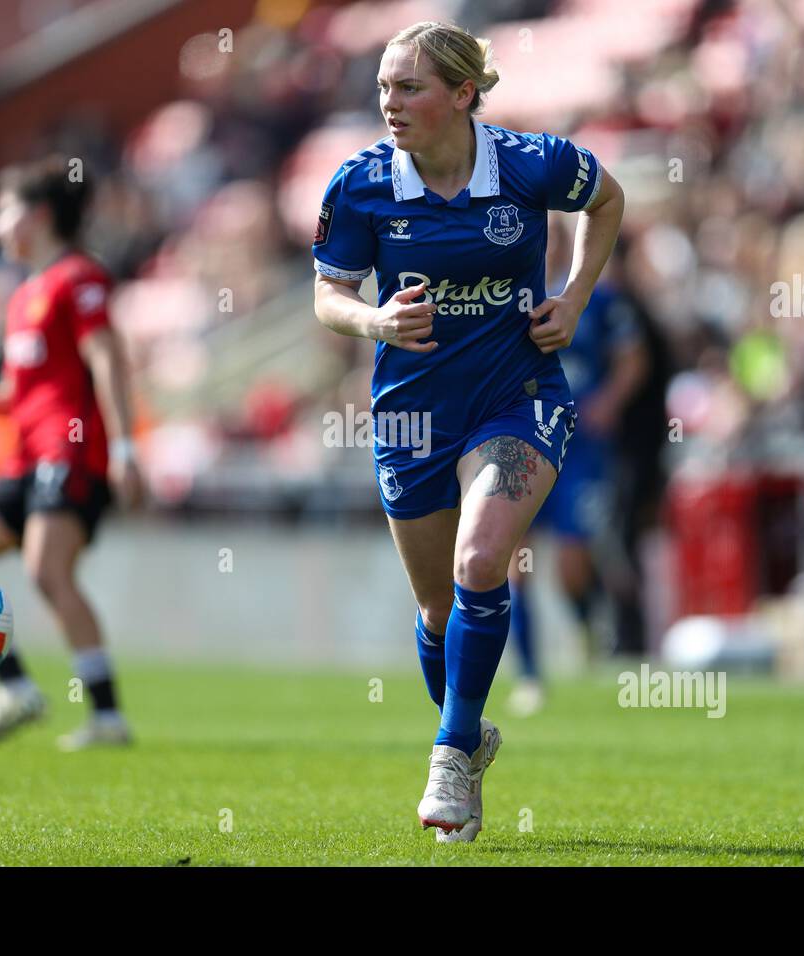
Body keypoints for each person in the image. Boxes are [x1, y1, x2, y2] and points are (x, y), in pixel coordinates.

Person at [312, 21, 623, 840]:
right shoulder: (359, 185)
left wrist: (575, 293)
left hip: (516, 395)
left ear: (461, 94)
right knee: (439, 610)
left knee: (482, 561)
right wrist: (374, 321)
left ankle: (450, 752)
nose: (390, 103)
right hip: (411, 411)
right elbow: (327, 295)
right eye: (383, 86)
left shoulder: (530, 164)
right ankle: (471, 733)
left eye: (408, 87)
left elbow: (607, 198)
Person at [0, 155, 143, 751]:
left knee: (47, 571)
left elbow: (106, 361)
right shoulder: (25, 295)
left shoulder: (79, 278)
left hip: (71, 455)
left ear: (38, 216)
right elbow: (24, 395)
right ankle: (14, 686)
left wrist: (124, 448)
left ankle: (106, 717)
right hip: (24, 459)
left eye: (3, 210)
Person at [506, 243, 649, 716]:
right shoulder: (507, 292)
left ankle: (587, 625)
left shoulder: (598, 298)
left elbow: (633, 358)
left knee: (572, 563)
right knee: (516, 562)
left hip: (581, 448)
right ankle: (529, 675)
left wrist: (609, 401)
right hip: (525, 441)